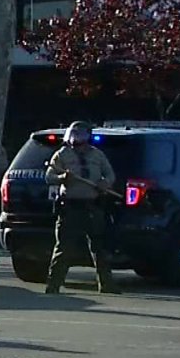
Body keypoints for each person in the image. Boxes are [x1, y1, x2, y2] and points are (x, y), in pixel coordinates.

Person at [44, 121, 121, 295]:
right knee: (64, 248)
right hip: (70, 206)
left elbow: (110, 174)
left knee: (99, 247)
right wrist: (63, 177)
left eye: (81, 134)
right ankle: (53, 285)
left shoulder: (97, 155)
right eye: (74, 133)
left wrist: (104, 183)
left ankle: (106, 284)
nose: (77, 138)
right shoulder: (61, 155)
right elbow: (49, 176)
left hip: (92, 206)